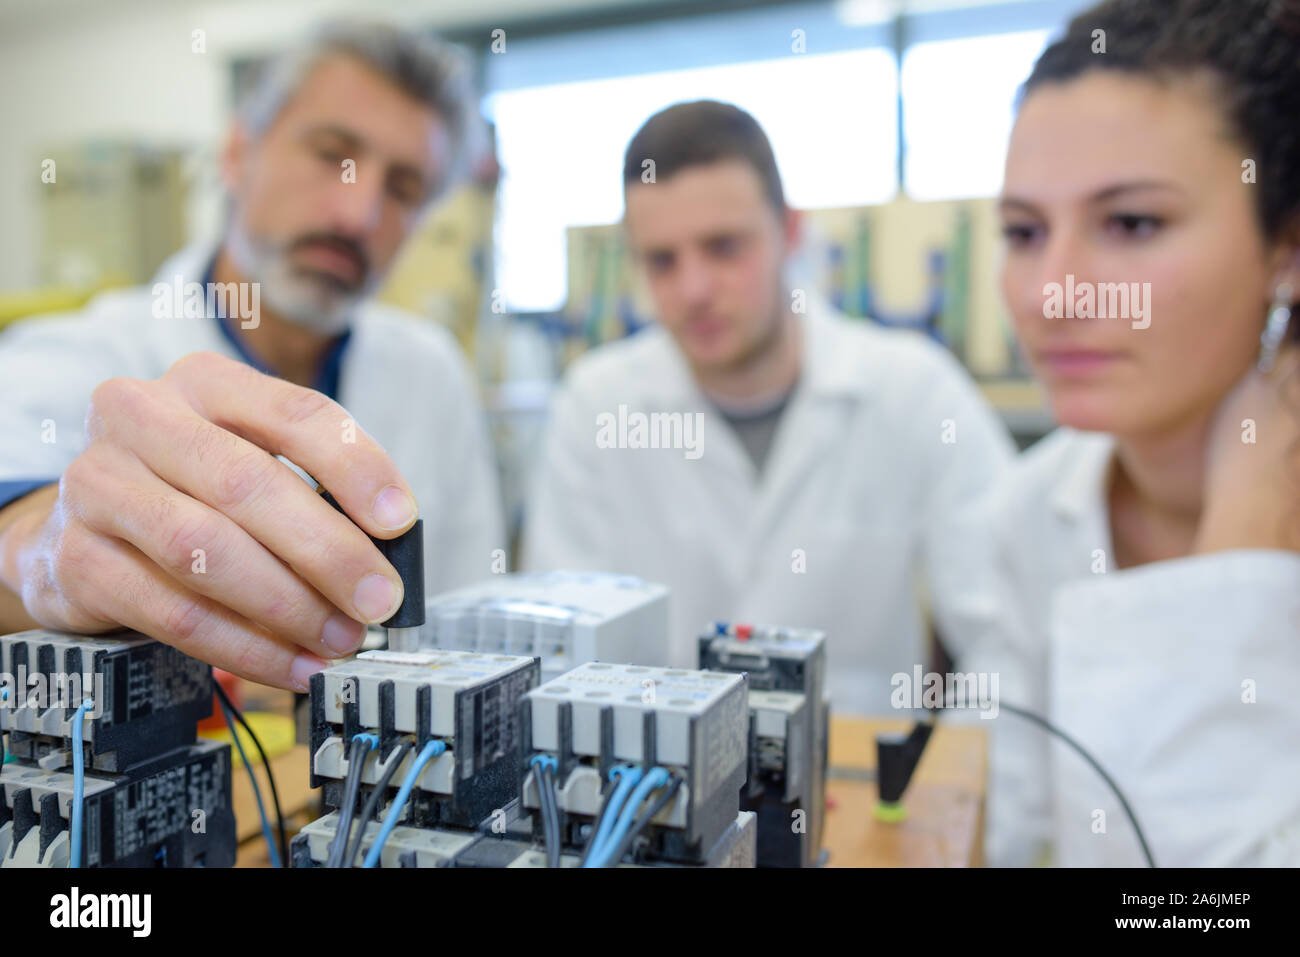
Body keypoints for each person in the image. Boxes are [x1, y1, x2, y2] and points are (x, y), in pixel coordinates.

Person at [0, 22, 504, 691]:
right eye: (332, 154)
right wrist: (43, 551)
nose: (358, 213)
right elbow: (23, 529)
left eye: (404, 188)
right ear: (237, 152)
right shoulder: (69, 353)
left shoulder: (431, 372)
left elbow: (470, 622)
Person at [522, 101, 1014, 711]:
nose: (694, 289)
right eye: (662, 260)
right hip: (654, 791)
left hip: (855, 782)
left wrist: (951, 787)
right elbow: (561, 650)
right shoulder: (595, 406)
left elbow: (1009, 634)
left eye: (724, 247)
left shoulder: (913, 391)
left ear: (791, 231)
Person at [962, 0, 1300, 866]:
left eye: (1133, 223)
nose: (1054, 293)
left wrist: (1242, 553)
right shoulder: (1029, 512)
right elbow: (1019, 841)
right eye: (1023, 232)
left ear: (1286, 249)